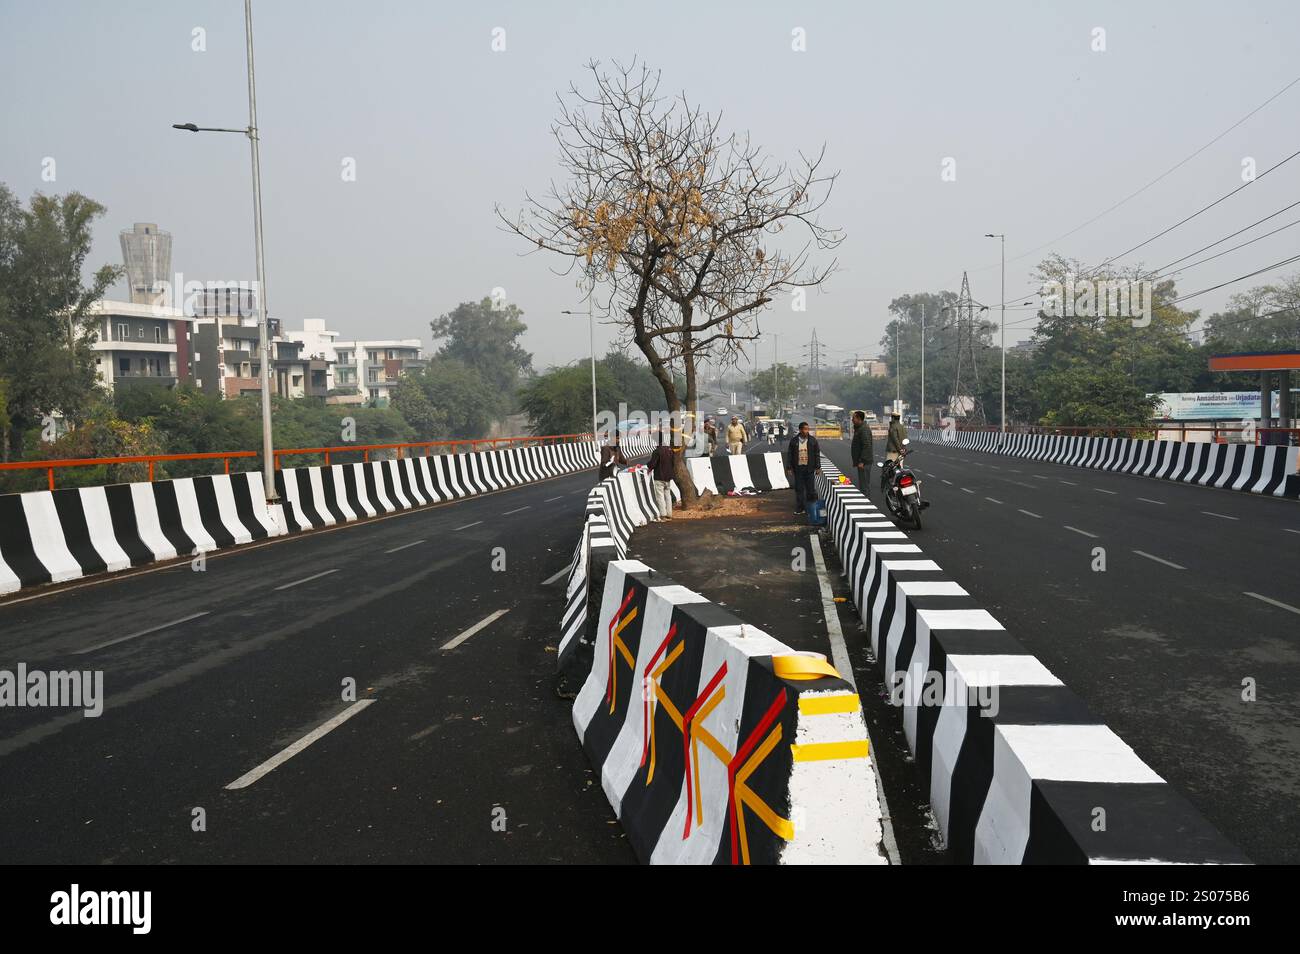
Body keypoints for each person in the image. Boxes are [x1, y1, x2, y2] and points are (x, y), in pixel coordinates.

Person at [785, 421, 821, 515]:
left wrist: (818, 467)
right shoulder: (794, 441)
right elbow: (790, 455)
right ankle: (800, 508)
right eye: (804, 429)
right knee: (799, 489)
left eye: (807, 429)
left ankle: (810, 509)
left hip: (809, 469)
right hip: (798, 469)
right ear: (800, 430)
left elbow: (817, 454)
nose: (806, 431)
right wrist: (789, 467)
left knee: (810, 490)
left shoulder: (813, 440)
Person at [647, 431, 676, 521]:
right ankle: (669, 514)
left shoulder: (657, 451)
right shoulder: (669, 450)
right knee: (668, 495)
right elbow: (673, 463)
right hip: (668, 477)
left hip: (659, 476)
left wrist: (648, 465)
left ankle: (663, 515)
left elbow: (652, 464)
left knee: (660, 496)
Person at [850, 410, 873, 496]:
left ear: (859, 419)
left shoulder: (864, 429)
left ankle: (867, 505)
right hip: (863, 461)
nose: (852, 420)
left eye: (853, 418)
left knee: (864, 486)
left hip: (864, 462)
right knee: (863, 484)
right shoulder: (860, 428)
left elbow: (866, 446)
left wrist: (862, 461)